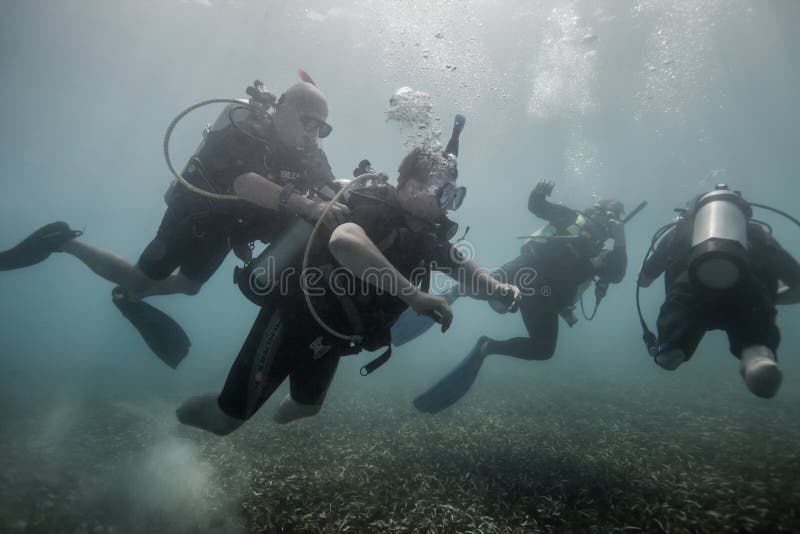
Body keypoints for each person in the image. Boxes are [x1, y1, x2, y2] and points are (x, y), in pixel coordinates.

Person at [0, 78, 348, 367]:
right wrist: (307, 205)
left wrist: (355, 195)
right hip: (191, 217)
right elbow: (244, 184)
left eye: (323, 127)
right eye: (309, 122)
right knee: (139, 282)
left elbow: (330, 187)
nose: (314, 133)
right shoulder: (246, 132)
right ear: (283, 108)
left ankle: (127, 294)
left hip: (226, 228)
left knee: (188, 286)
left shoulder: (311, 154)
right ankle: (65, 241)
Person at [176, 147, 521, 435]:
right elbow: (345, 241)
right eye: (444, 193)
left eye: (455, 196)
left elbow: (458, 263)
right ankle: (177, 418)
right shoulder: (375, 207)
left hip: (335, 336)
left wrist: (497, 289)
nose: (450, 204)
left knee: (305, 408)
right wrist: (414, 296)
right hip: (296, 320)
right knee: (226, 421)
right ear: (412, 187)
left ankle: (266, 410)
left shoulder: (426, 231)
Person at [414, 178, 627, 413]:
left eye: (614, 222)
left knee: (544, 349)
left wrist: (621, 238)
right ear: (595, 211)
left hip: (545, 299)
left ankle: (488, 347)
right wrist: (538, 193)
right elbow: (537, 207)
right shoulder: (571, 218)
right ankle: (456, 291)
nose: (608, 225)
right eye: (607, 216)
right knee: (485, 289)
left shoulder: (603, 255)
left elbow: (617, 274)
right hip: (526, 269)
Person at [638, 184, 800, 398]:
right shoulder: (757, 234)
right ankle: (757, 359)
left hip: (689, 293)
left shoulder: (679, 231)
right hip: (748, 295)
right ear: (742, 213)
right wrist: (772, 299)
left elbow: (644, 280)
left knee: (671, 351)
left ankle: (672, 348)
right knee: (756, 344)